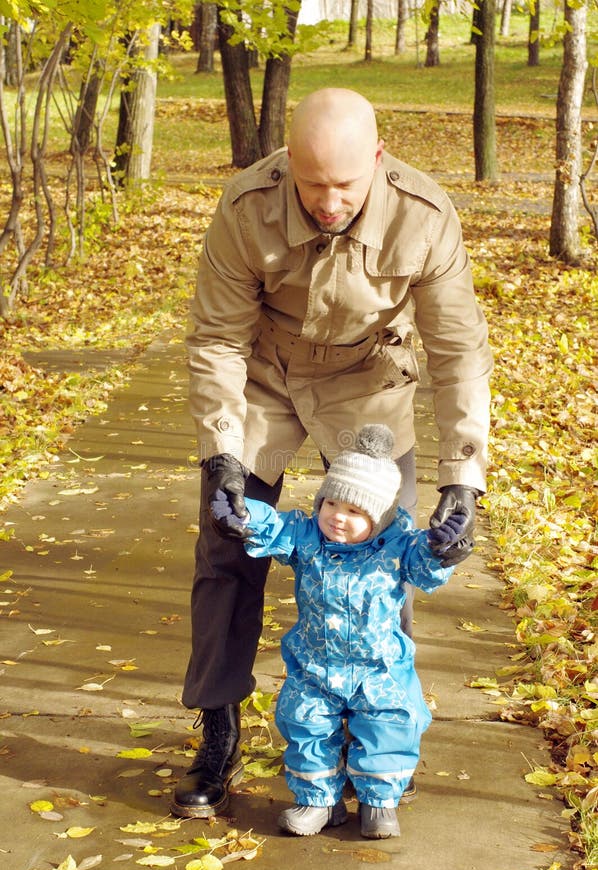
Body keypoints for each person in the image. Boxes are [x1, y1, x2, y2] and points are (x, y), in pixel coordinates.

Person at [170, 87, 492, 821]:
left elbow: (458, 350)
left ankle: (376, 740)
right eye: (311, 184)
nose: (326, 201)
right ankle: (218, 728)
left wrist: (463, 479)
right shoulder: (247, 205)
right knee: (226, 550)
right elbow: (217, 338)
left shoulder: (425, 215)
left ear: (378, 159)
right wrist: (223, 455)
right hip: (263, 378)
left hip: (368, 380)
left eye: (344, 185)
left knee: (388, 559)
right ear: (288, 161)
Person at [210, 424, 469, 839]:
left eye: (354, 512)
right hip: (315, 666)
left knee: (388, 726)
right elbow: (272, 526)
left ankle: (379, 802)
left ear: (379, 519)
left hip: (379, 669)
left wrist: (443, 548)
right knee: (307, 725)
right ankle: (318, 801)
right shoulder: (308, 536)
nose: (337, 517)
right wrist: (244, 512)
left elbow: (427, 564)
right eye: (330, 503)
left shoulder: (399, 545)